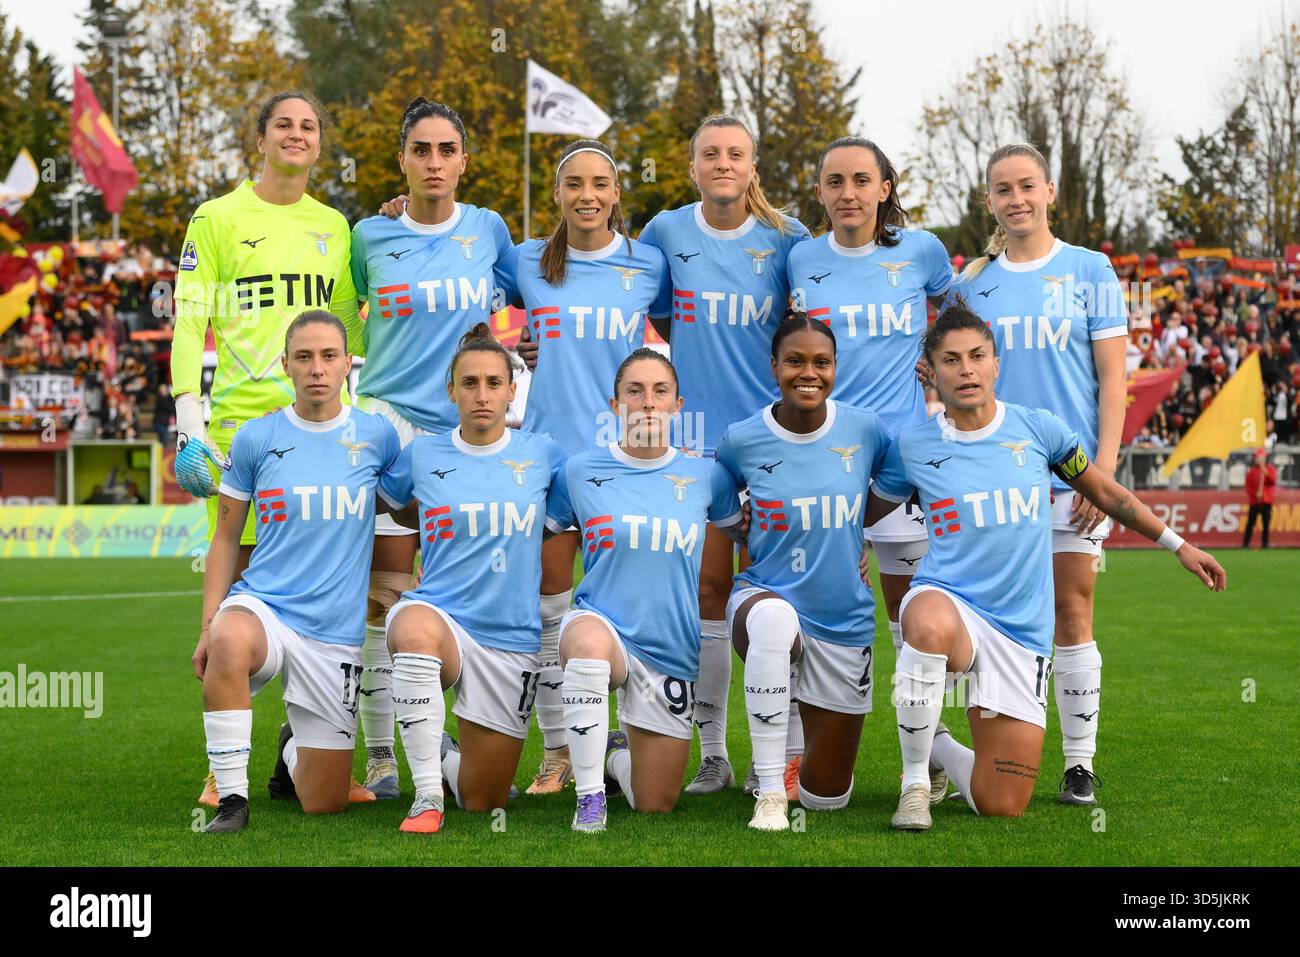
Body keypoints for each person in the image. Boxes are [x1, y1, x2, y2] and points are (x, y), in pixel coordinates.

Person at [867, 303, 1224, 831]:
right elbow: (870, 508)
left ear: (995, 364)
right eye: (951, 360)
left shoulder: (1039, 430)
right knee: (925, 623)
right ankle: (916, 784)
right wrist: (843, 542)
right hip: (950, 604)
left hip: (1020, 632)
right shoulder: (913, 447)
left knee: (1001, 801)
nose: (965, 369)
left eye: (976, 356)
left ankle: (938, 745)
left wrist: (1177, 545)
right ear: (932, 370)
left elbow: (1106, 493)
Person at [171, 90, 367, 808]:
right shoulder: (217, 218)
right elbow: (189, 321)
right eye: (282, 124)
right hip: (243, 438)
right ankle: (222, 766)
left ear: (319, 143)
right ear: (260, 139)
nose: (296, 134)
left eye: (308, 126)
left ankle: (303, 749)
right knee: (244, 594)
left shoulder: (333, 226)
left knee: (324, 592)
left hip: (324, 432)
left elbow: (352, 331)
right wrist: (189, 416)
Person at [632, 115, 810, 798]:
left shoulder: (788, 238)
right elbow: (650, 316)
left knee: (780, 594)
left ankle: (789, 750)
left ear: (752, 164)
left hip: (774, 442)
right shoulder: (667, 234)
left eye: (736, 153)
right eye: (711, 153)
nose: (723, 163)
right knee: (707, 592)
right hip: (698, 442)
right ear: (693, 166)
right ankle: (714, 751)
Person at [946, 142, 1129, 806]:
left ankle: (1078, 762)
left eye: (1027, 185)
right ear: (989, 200)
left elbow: (1114, 380)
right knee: (981, 617)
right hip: (991, 483)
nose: (1016, 198)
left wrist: (1101, 473)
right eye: (1002, 189)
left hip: (1071, 477)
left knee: (1072, 610)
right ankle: (950, 750)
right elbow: (950, 373)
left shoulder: (1090, 269)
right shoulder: (972, 283)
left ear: (1050, 191)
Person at [350, 98, 514, 800]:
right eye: (422, 150)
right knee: (385, 591)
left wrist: (518, 344)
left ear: (464, 161)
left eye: (447, 150)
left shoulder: (489, 229)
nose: (435, 162)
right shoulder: (368, 236)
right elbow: (344, 316)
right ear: (402, 161)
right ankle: (383, 754)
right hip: (389, 426)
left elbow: (518, 298)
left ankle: (452, 735)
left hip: (464, 428)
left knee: (462, 584)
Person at [497, 140, 671, 795]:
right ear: (559, 193)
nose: (588, 195)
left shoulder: (648, 264)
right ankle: (559, 749)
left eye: (600, 183)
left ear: (618, 193)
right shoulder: (526, 262)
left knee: (625, 605)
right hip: (549, 454)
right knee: (548, 606)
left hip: (626, 461)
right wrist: (520, 342)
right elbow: (489, 314)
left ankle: (624, 734)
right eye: (575, 183)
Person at [192, 311, 402, 833]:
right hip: (266, 607)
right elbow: (224, 538)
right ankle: (232, 801)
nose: (317, 368)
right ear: (285, 365)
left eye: (329, 356)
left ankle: (292, 753)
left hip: (334, 632)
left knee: (324, 802)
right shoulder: (255, 439)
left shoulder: (377, 436)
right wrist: (207, 627)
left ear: (347, 363)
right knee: (229, 638)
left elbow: (409, 513)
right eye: (304, 357)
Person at [374, 325, 565, 833]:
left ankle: (440, 748)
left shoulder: (544, 453)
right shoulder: (422, 454)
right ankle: (426, 797)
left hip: (510, 638)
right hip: (440, 618)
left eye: (493, 383)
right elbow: (376, 503)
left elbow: (584, 513)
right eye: (469, 383)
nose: (482, 395)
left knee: (486, 801)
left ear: (510, 388)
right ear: (451, 390)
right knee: (413, 629)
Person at [550, 349, 742, 831]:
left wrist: (851, 551)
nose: (648, 403)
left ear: (678, 404)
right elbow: (531, 538)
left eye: (659, 392)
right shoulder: (578, 471)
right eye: (635, 391)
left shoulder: (707, 477)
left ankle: (615, 756)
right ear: (616, 404)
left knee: (654, 802)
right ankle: (589, 797)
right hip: (601, 627)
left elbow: (755, 535)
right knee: (589, 649)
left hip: (669, 648)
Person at [714, 313, 892, 830]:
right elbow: (714, 483)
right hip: (765, 594)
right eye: (794, 361)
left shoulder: (865, 429)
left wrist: (854, 530)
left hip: (842, 619)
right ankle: (768, 789)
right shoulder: (743, 439)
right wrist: (737, 522)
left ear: (836, 368)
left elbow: (899, 479)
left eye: (821, 362)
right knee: (772, 623)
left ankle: (937, 751)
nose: (807, 372)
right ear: (774, 367)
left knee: (826, 798)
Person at [787, 136, 953, 676]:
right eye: (835, 182)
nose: (848, 193)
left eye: (861, 180)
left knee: (911, 621)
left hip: (903, 460)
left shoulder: (922, 250)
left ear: (884, 188)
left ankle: (925, 752)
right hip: (824, 460)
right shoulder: (800, 258)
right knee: (815, 618)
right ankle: (807, 758)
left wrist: (935, 358)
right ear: (820, 192)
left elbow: (960, 318)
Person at [1242, 449, 1277, 548]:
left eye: (1258, 457)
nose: (1256, 459)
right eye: (1256, 457)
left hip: (1266, 501)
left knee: (1266, 524)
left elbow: (1272, 481)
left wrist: (1263, 469)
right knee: (1250, 523)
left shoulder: (1270, 469)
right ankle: (1246, 544)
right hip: (1255, 502)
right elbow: (1248, 486)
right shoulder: (1252, 471)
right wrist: (1255, 494)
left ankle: (1265, 544)